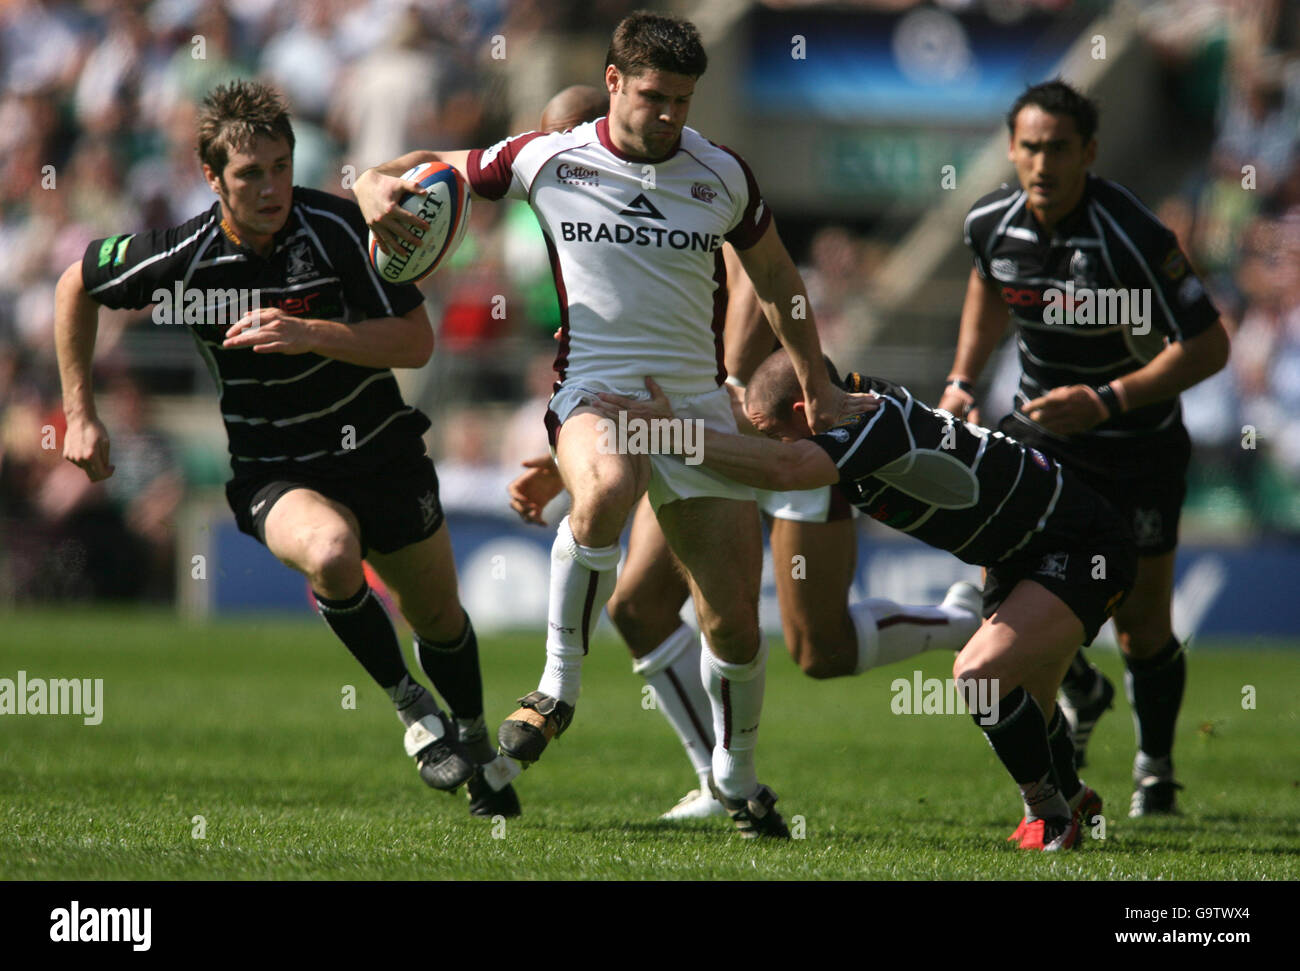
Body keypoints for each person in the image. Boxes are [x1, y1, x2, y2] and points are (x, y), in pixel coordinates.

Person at [355, 12, 867, 838]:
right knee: (612, 482)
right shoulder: (548, 156)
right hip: (592, 391)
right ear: (616, 82)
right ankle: (557, 687)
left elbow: (777, 280)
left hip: (695, 408)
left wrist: (818, 383)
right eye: (655, 96)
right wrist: (371, 183)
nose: (669, 116)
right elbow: (429, 168)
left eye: (684, 101)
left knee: (731, 618)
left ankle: (734, 772)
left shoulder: (723, 176)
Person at [507, 84, 984, 821]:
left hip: (775, 424)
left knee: (818, 647)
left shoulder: (691, 184)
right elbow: (611, 381)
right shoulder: (580, 213)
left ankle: (966, 625)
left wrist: (726, 379)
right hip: (688, 432)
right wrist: (563, 459)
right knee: (637, 609)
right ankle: (725, 782)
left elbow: (757, 283)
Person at [54, 80, 520, 819]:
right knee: (332, 552)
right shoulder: (185, 254)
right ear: (212, 178)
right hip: (275, 469)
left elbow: (415, 339)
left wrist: (311, 331)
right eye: (250, 173)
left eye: (281, 165)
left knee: (440, 617)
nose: (271, 187)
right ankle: (413, 710)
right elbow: (76, 282)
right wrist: (81, 414)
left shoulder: (336, 228)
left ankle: (474, 741)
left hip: (380, 449)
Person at [598, 352, 1139, 850]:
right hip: (1018, 555)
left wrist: (667, 433)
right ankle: (1071, 798)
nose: (772, 441)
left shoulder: (869, 420)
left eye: (777, 431)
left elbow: (785, 469)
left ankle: (1050, 818)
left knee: (980, 677)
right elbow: (752, 424)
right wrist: (670, 419)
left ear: (801, 411)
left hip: (1082, 546)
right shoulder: (831, 409)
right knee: (1028, 700)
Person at [935, 80, 1230, 816]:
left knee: (1143, 623)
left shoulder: (1133, 234)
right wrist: (963, 379)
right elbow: (987, 287)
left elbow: (1210, 345)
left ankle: (1155, 766)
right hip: (1044, 438)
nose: (1042, 162)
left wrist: (1105, 397)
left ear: (1089, 153)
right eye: (1029, 147)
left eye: (1059, 148)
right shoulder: (992, 225)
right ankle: (1075, 696)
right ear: (1011, 149)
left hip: (1137, 448)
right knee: (1000, 587)